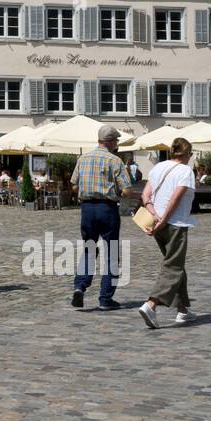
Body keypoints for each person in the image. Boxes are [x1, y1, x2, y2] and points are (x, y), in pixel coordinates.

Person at [137, 137, 198, 329]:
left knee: (175, 263)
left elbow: (145, 195)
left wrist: (155, 214)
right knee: (173, 265)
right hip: (175, 223)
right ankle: (151, 304)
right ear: (187, 153)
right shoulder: (186, 171)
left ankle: (183, 310)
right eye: (191, 153)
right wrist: (164, 219)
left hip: (156, 223)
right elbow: (176, 198)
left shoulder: (157, 167)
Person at [69, 125, 130, 310]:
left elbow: (73, 186)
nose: (117, 145)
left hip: (87, 209)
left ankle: (80, 287)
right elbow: (126, 190)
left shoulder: (83, 158)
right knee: (111, 253)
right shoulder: (115, 161)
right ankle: (105, 299)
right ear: (111, 141)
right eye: (116, 141)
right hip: (107, 208)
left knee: (88, 249)